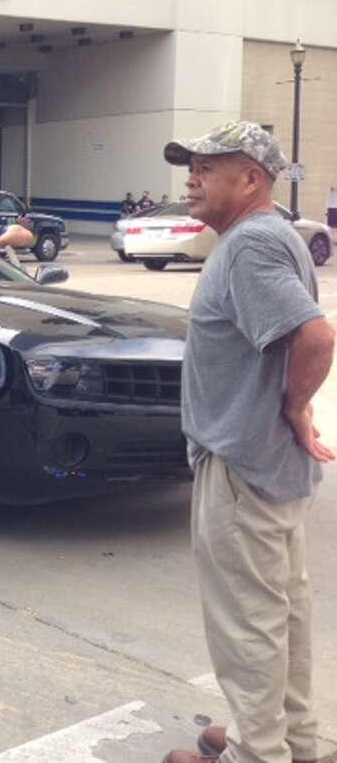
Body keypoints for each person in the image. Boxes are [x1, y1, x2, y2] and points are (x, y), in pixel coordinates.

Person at [160, 122, 335, 763]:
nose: (192, 179)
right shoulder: (268, 238)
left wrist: (295, 406)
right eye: (192, 167)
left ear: (252, 179)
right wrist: (292, 408)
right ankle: (288, 742)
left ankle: (257, 753)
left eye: (208, 169)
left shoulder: (249, 247)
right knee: (280, 614)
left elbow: (314, 337)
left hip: (240, 467)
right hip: (266, 468)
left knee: (248, 625)